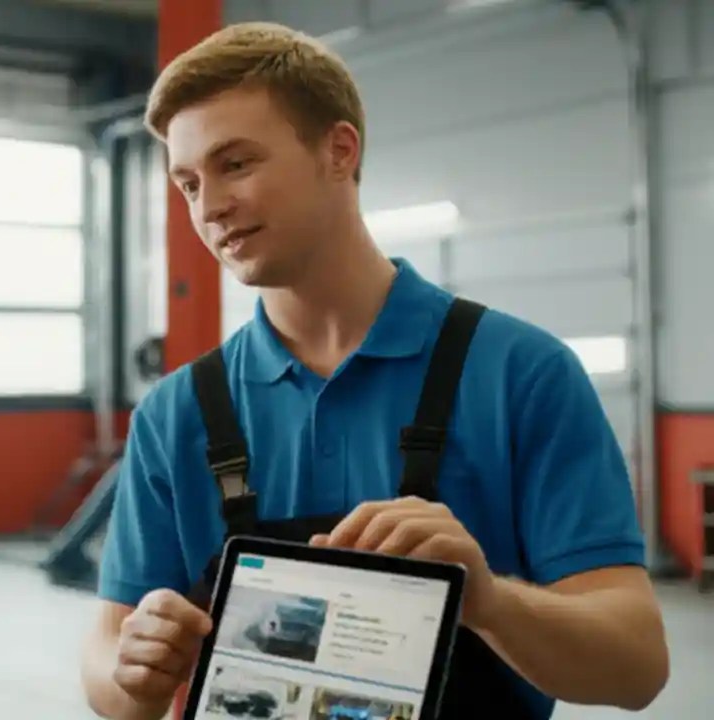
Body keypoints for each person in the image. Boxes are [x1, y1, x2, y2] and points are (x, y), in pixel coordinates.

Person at [80, 22, 669, 720]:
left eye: (236, 164)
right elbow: (108, 674)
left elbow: (636, 668)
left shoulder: (522, 375)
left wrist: (490, 602)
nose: (208, 209)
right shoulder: (176, 413)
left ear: (338, 150)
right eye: (187, 183)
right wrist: (132, 670)